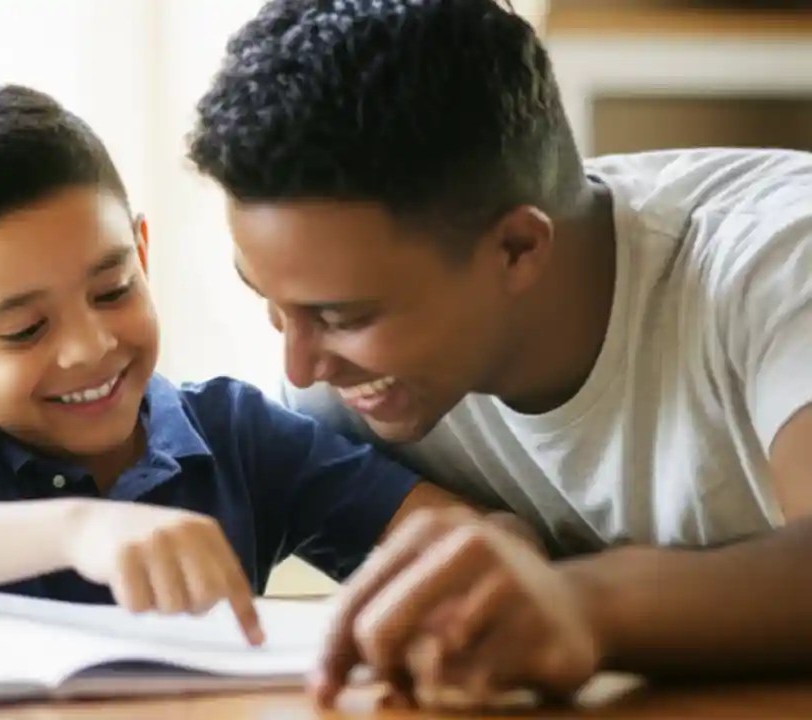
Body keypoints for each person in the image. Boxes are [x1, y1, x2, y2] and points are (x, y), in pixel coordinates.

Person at [188, 0, 812, 708]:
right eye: (271, 302)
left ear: (518, 248)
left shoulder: (778, 260)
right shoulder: (345, 393)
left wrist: (587, 605)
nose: (300, 368)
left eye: (343, 316)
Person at [0, 84, 513, 644]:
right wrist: (79, 529)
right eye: (26, 329)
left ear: (142, 251)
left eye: (112, 289)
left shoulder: (234, 435)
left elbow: (473, 540)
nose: (91, 346)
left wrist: (475, 577)